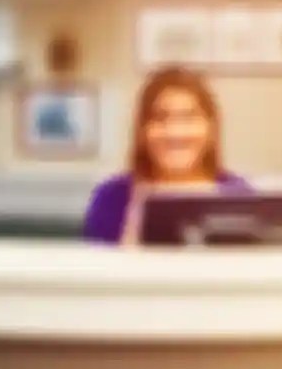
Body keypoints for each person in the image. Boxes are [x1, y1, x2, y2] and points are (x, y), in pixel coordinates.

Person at [83, 66, 249, 245]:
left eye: (189, 118)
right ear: (142, 131)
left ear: (211, 129)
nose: (175, 132)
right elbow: (94, 269)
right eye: (160, 118)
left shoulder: (239, 196)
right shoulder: (111, 198)